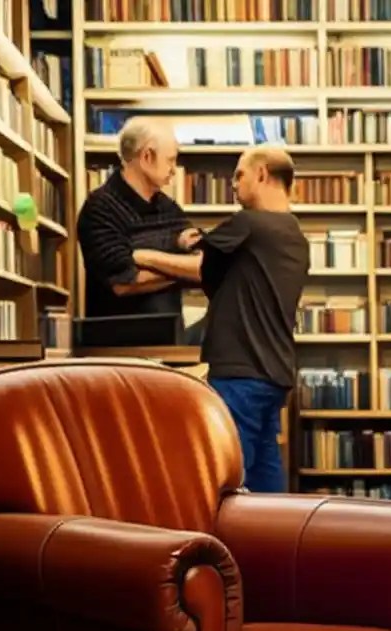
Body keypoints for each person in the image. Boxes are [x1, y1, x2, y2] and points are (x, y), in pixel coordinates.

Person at [132, 147, 308, 493]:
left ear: (261, 174)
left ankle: (224, 531)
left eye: (239, 175)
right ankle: (275, 529)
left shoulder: (250, 224)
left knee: (228, 476)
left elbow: (200, 266)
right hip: (274, 371)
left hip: (240, 370)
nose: (233, 184)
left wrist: (142, 255)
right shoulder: (294, 235)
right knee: (264, 472)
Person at [76, 116, 199, 334]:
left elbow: (205, 265)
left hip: (170, 342)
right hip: (119, 343)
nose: (174, 169)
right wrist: (181, 269)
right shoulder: (100, 208)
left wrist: (145, 257)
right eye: (170, 160)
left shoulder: (169, 208)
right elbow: (124, 282)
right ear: (147, 157)